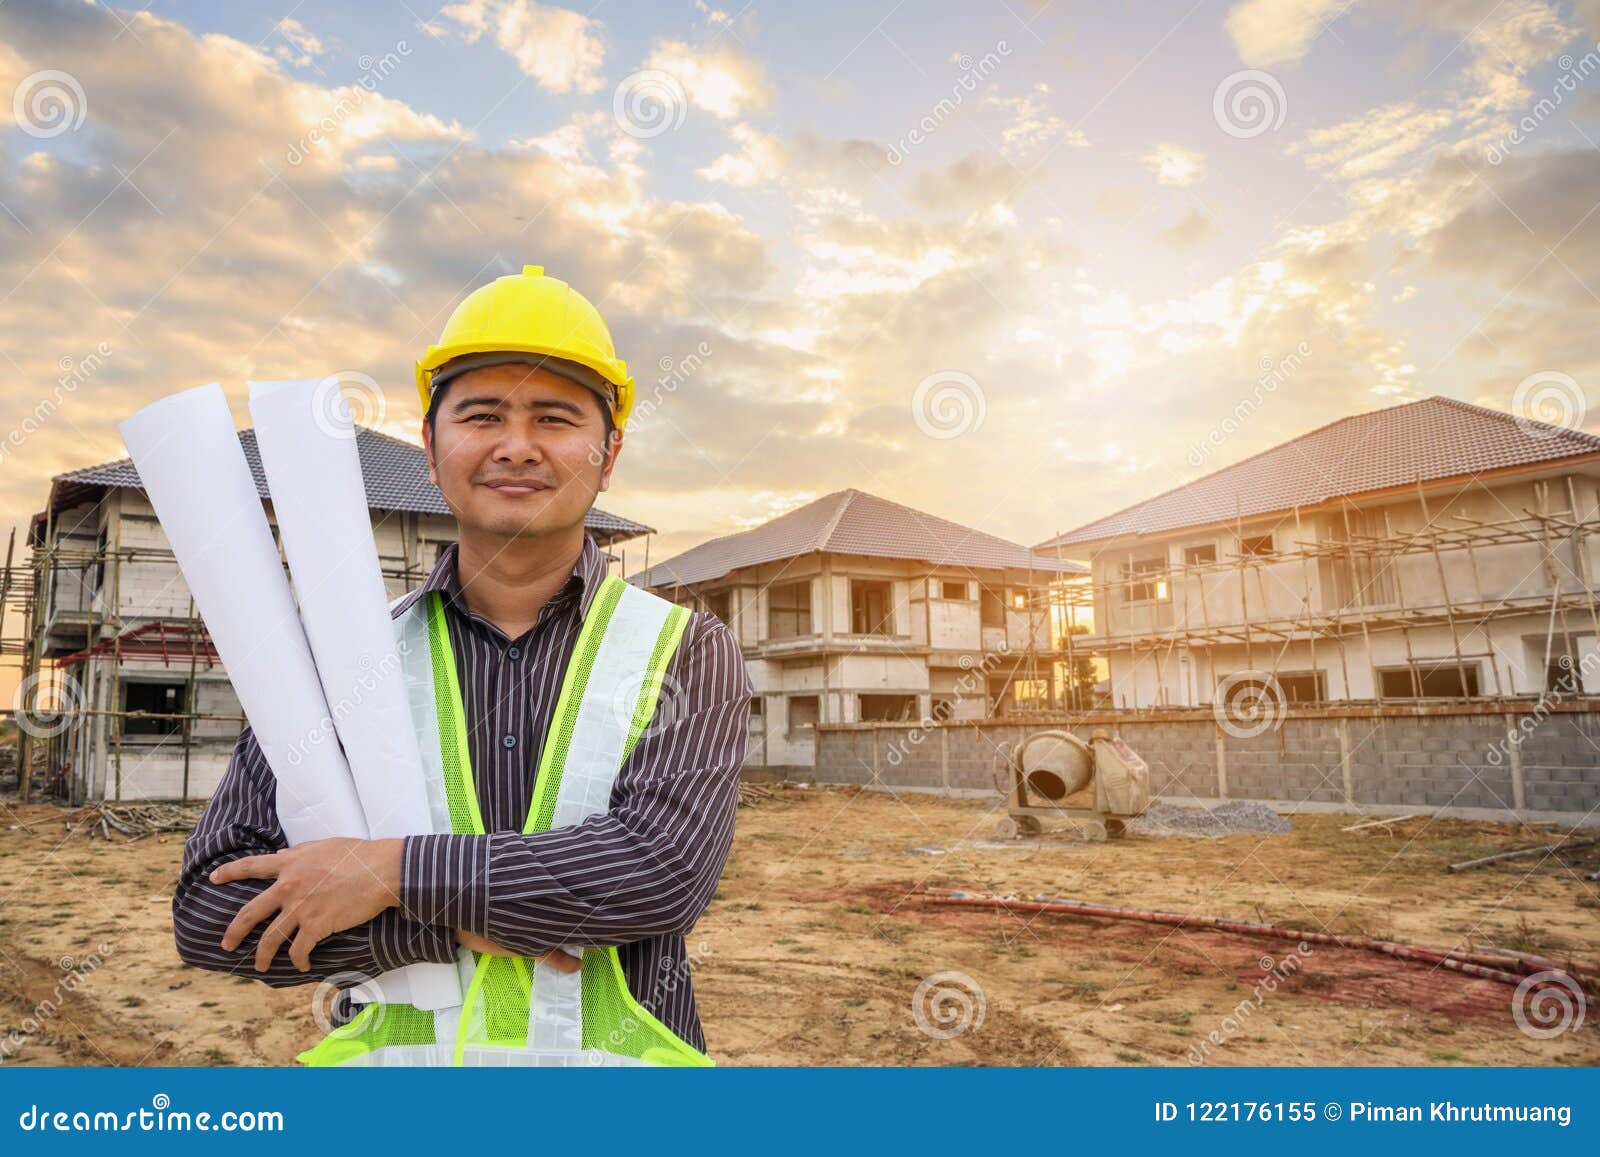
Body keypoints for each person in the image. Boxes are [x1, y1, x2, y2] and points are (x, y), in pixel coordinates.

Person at [171, 265, 753, 1065]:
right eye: (482, 415)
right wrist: (439, 922)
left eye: (554, 418)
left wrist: (386, 870)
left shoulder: (686, 648)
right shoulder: (336, 661)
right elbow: (210, 913)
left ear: (608, 453)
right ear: (432, 444)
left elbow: (658, 872)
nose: (516, 446)